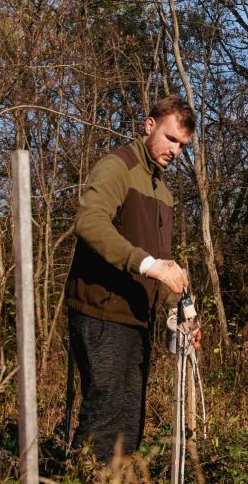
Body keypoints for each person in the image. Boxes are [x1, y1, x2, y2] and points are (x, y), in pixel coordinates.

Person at [64, 95, 196, 462]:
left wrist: (180, 312)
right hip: (99, 312)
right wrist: (150, 265)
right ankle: (83, 475)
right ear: (149, 125)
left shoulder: (164, 192)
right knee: (105, 416)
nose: (176, 150)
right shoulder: (117, 167)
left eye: (183, 145)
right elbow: (89, 224)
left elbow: (162, 267)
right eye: (171, 139)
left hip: (136, 319)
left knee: (130, 423)